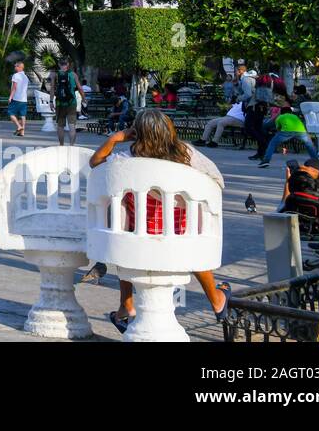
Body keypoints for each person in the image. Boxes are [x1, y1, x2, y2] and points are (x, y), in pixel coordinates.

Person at [90, 110, 230, 331]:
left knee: (122, 229)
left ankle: (126, 306)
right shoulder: (187, 154)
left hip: (138, 238)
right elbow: (216, 182)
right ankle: (216, 300)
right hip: (182, 234)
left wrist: (115, 138)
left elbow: (95, 162)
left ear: (136, 133)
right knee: (193, 233)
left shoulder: (126, 159)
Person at [49, 58, 81, 147]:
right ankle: (71, 146)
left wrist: (51, 101)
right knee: (72, 126)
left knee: (60, 126)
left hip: (60, 103)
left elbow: (52, 88)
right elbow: (80, 88)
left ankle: (61, 145)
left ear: (59, 64)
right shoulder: (73, 75)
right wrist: (84, 98)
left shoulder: (54, 75)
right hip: (71, 103)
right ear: (67, 64)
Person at [7, 59, 29, 137]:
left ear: (19, 67)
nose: (14, 67)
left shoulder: (16, 75)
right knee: (22, 115)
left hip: (16, 98)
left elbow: (14, 88)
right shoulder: (26, 77)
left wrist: (10, 97)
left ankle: (19, 126)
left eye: (15, 66)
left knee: (10, 113)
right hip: (24, 99)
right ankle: (22, 132)